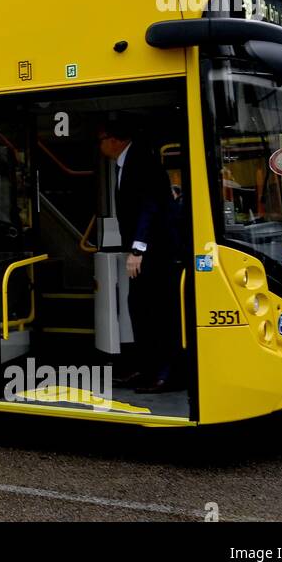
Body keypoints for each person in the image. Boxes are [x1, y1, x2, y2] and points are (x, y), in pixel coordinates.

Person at [99, 119, 181, 393]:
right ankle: (147, 368)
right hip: (148, 251)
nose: (100, 145)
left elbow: (149, 207)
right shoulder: (127, 162)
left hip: (156, 253)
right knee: (140, 308)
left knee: (156, 311)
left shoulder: (140, 162)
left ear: (116, 140)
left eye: (102, 138)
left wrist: (138, 249)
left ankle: (164, 374)